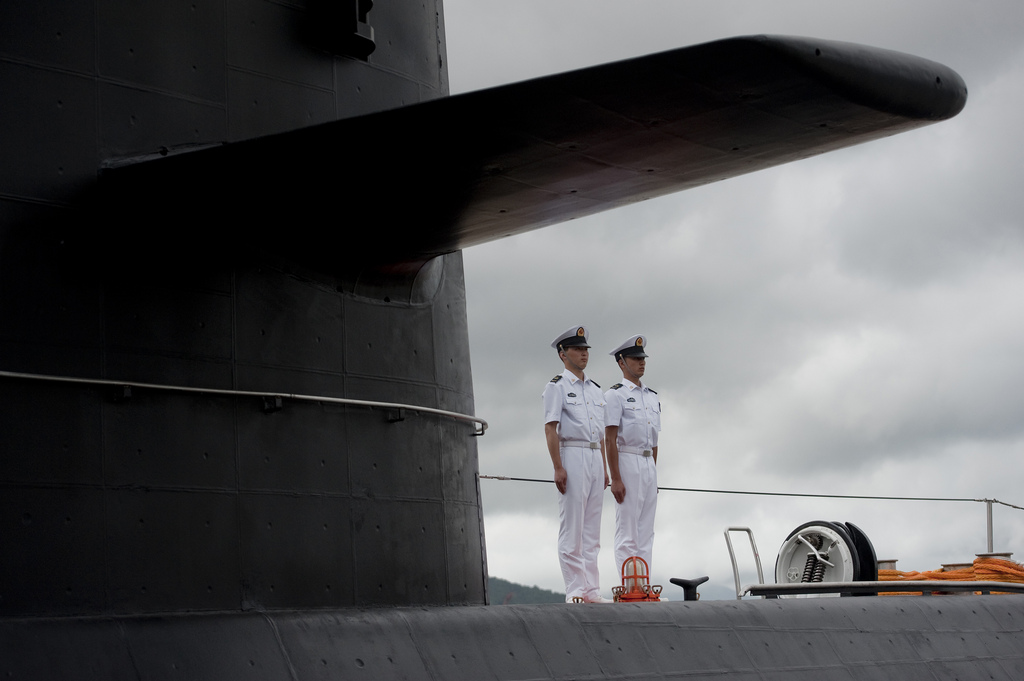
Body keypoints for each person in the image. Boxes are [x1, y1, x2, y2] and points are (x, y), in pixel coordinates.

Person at [543, 325, 611, 603]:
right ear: (563, 354)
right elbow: (550, 429)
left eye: (585, 350)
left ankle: (591, 589)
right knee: (572, 525)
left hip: (595, 455)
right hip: (572, 452)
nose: (583, 354)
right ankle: (575, 589)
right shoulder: (556, 387)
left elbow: (603, 434)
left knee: (592, 529)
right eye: (577, 350)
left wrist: (605, 467)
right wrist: (558, 466)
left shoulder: (595, 390)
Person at [604, 334, 661, 577]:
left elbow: (655, 439)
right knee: (628, 529)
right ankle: (630, 586)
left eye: (642, 358)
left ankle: (644, 583)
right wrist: (615, 477)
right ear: (621, 362)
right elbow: (610, 439)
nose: (641, 362)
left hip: (648, 463)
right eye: (635, 358)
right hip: (627, 459)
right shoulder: (614, 395)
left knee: (646, 531)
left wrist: (654, 473)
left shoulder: (652, 396)